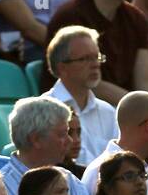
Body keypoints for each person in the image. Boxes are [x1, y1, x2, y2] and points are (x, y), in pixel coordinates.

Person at [44, 26, 117, 168]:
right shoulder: (44, 111)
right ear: (62, 68)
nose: (95, 64)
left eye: (97, 57)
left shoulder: (107, 111)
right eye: (86, 59)